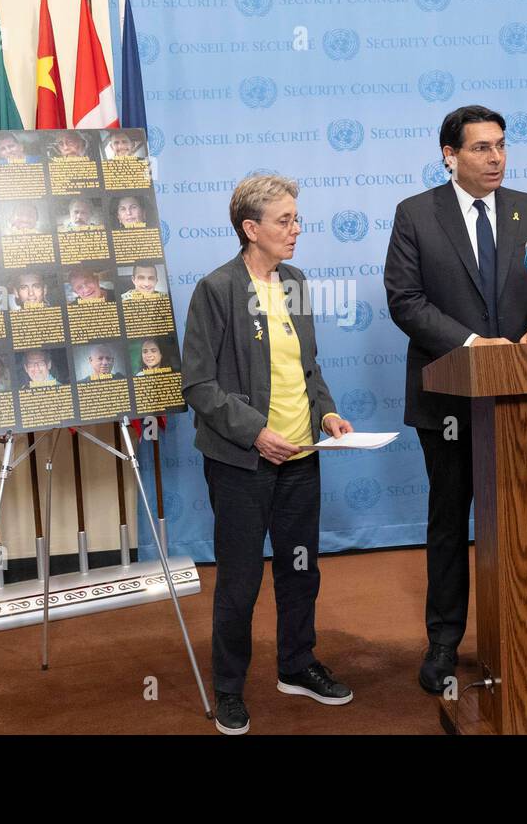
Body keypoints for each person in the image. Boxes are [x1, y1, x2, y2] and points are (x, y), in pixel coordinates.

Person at [383, 104, 527, 695]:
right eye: (481, 148)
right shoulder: (416, 215)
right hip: (448, 399)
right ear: (450, 156)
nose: (496, 158)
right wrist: (472, 344)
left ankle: (522, 635)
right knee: (449, 521)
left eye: (500, 146)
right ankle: (444, 643)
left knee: (519, 520)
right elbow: (405, 300)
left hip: (522, 397)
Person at [182, 173, 355, 736]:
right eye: (285, 221)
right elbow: (198, 386)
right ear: (250, 229)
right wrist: (256, 433)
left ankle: (297, 665)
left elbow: (308, 369)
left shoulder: (297, 282)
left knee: (300, 571)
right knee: (239, 580)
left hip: (302, 457)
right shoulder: (215, 289)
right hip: (242, 463)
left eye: (297, 219)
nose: (297, 229)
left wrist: (325, 412)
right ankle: (229, 689)